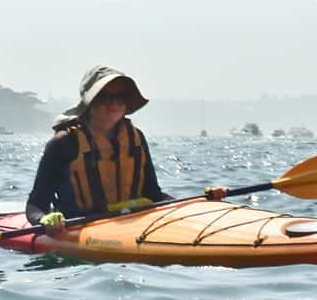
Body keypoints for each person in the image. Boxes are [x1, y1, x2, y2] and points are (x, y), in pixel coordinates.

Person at [26, 66, 226, 230]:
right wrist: (45, 219)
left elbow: (153, 195)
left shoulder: (136, 138)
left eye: (120, 97)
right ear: (90, 102)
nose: (113, 104)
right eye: (105, 97)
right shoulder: (63, 142)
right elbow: (35, 205)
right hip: (80, 225)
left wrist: (197, 202)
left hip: (134, 223)